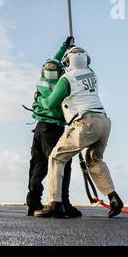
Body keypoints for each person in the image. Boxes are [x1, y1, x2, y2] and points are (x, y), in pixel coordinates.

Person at [35, 45, 124, 218]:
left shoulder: (67, 78)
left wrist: (40, 98)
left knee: (56, 157)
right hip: (104, 122)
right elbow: (81, 62)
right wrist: (71, 49)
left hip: (85, 122)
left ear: (68, 62)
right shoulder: (92, 74)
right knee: (95, 159)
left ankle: (55, 203)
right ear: (87, 60)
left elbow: (51, 103)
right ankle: (114, 198)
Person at [25, 37, 81, 217]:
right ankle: (63, 202)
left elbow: (55, 60)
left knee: (38, 165)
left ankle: (33, 202)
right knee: (61, 163)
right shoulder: (59, 84)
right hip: (53, 128)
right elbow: (52, 102)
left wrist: (65, 46)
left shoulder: (42, 78)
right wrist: (74, 60)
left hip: (40, 128)